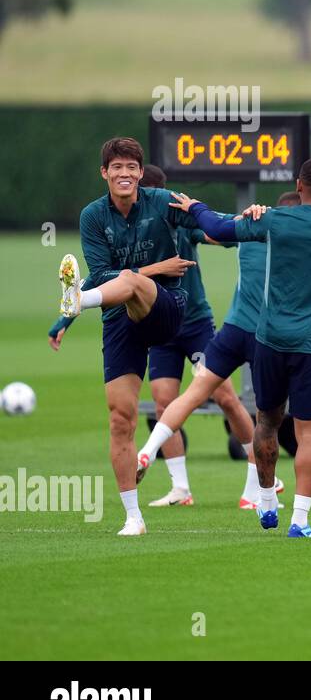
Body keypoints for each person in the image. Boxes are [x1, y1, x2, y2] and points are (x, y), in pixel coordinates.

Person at [173, 157, 311, 539]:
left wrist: (194, 206)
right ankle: (299, 520)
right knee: (309, 433)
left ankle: (265, 500)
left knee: (267, 421)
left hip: (269, 342)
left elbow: (215, 227)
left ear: (298, 185)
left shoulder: (273, 220)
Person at [134, 192, 311, 509]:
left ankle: (147, 450)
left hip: (233, 330)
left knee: (194, 394)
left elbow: (214, 226)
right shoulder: (302, 246)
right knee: (265, 419)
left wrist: (195, 207)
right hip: (267, 337)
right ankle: (255, 493)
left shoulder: (248, 225)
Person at [57, 137, 208, 536]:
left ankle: (79, 300)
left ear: (141, 173)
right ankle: (133, 517)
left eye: (131, 167)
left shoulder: (161, 201)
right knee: (120, 418)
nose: (124, 174)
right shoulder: (93, 215)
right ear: (104, 174)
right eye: (116, 168)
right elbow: (104, 271)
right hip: (119, 318)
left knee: (129, 279)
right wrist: (157, 266)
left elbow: (208, 222)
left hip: (168, 309)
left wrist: (246, 220)